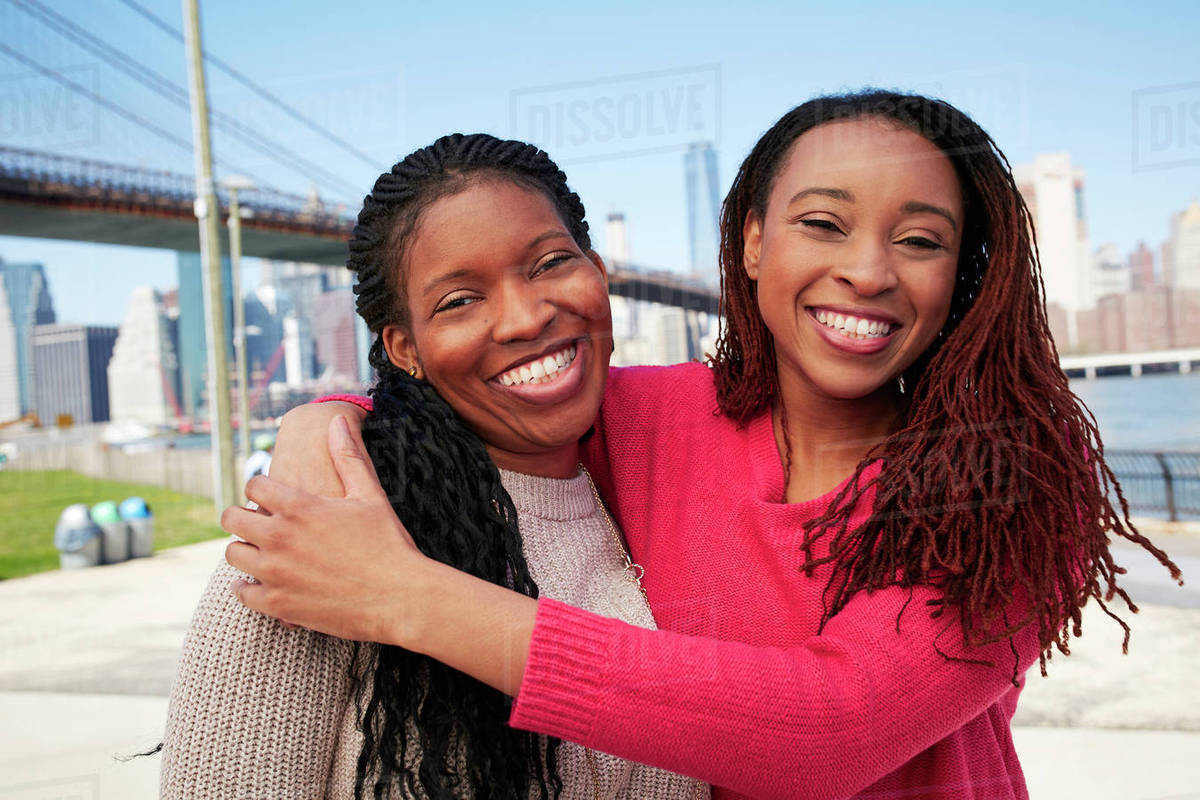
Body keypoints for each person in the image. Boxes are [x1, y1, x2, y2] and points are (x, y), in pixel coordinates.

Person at [225, 91, 1181, 800]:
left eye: (920, 240)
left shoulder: (1011, 482)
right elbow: (492, 377)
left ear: (961, 274)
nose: (866, 270)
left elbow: (829, 731)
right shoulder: (651, 418)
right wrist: (325, 423)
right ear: (753, 240)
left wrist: (407, 597)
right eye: (823, 224)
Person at [161, 133, 708, 800]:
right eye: (459, 301)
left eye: (550, 263)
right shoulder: (320, 533)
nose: (525, 317)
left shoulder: (648, 486)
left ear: (596, 269)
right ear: (404, 348)